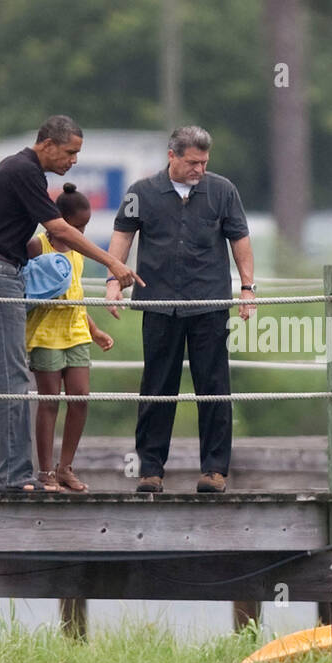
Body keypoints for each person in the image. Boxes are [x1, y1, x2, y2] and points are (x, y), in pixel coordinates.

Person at [0, 115, 141, 493]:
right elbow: (57, 228)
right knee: (13, 379)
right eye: (70, 151)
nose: (73, 160)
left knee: (4, 380)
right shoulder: (26, 171)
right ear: (47, 144)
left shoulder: (11, 167)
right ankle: (14, 476)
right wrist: (111, 260)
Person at [104, 125, 256, 494]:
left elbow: (240, 239)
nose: (199, 170)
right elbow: (123, 235)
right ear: (172, 156)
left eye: (204, 163)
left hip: (210, 303)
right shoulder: (141, 192)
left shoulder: (223, 191)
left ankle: (215, 470)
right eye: (192, 162)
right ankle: (150, 470)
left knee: (214, 386)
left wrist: (248, 288)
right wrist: (113, 280)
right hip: (159, 302)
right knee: (157, 385)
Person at [25, 182, 115, 492]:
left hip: (75, 329)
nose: (81, 234)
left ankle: (66, 466)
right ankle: (46, 471)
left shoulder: (78, 252)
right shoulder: (37, 246)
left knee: (79, 397)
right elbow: (29, 288)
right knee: (49, 402)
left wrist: (95, 330)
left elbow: (74, 294)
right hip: (46, 331)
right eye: (76, 227)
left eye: (84, 228)